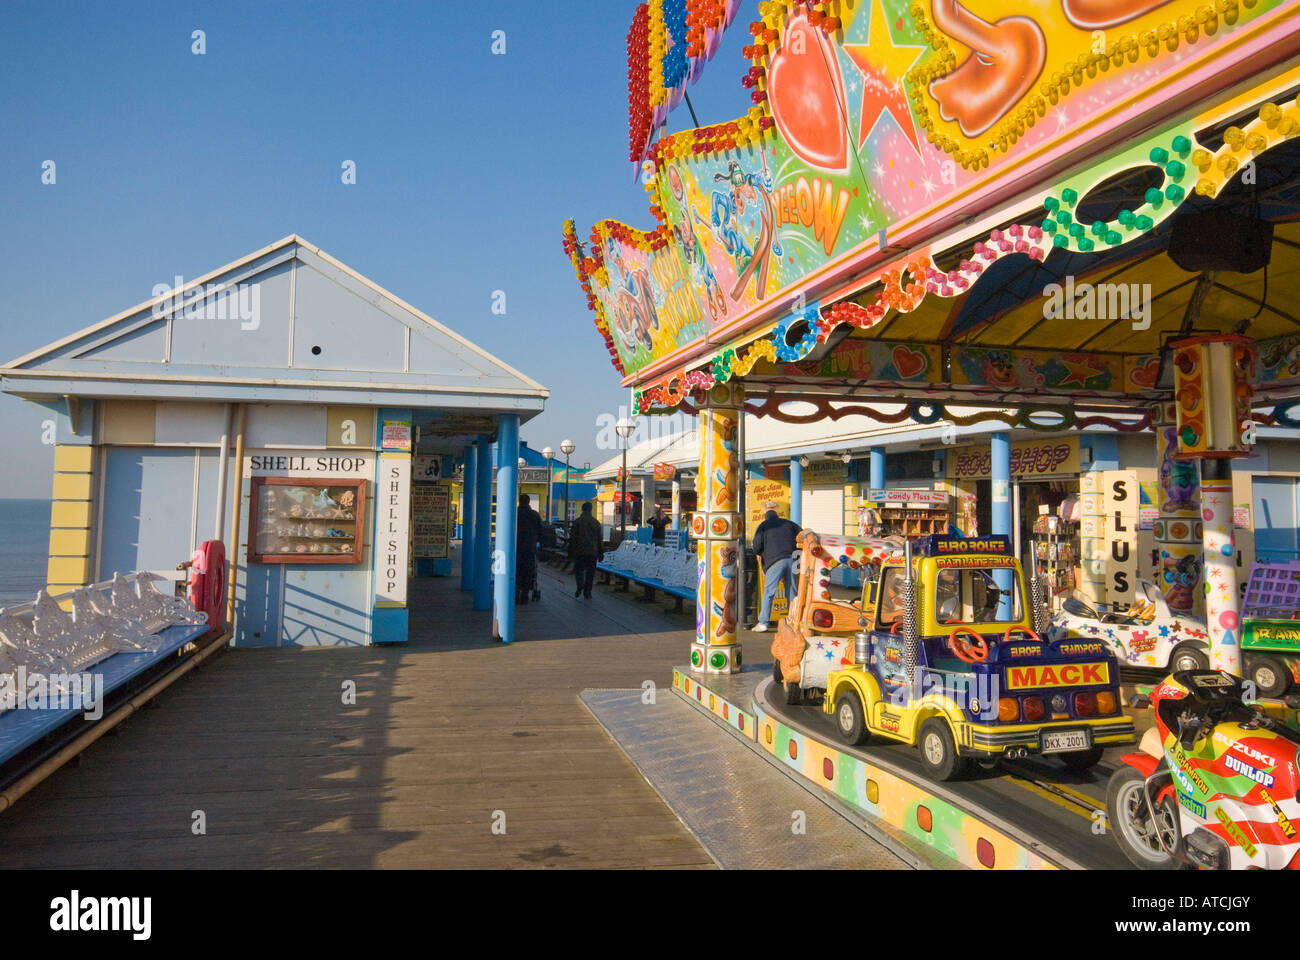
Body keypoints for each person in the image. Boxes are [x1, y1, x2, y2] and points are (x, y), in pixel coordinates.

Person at [751, 501, 800, 632]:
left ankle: (763, 623)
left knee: (769, 592)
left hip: (775, 560)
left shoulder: (764, 526)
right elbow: (801, 536)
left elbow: (757, 545)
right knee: (792, 592)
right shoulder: (789, 524)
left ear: (766, 517)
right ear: (777, 516)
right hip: (793, 559)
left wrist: (757, 553)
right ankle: (794, 621)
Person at [570, 501, 603, 599]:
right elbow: (599, 539)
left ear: (582, 509)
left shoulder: (577, 522)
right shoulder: (596, 522)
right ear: (590, 509)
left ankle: (580, 585)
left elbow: (573, 538)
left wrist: (571, 552)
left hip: (580, 551)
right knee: (590, 573)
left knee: (579, 570)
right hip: (592, 552)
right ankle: (587, 592)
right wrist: (600, 553)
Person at [516, 493, 542, 605]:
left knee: (516, 570)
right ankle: (525, 594)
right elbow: (541, 531)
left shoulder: (514, 514)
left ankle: (516, 591)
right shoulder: (535, 515)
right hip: (530, 548)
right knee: (528, 571)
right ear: (528, 502)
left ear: (519, 502)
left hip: (515, 549)